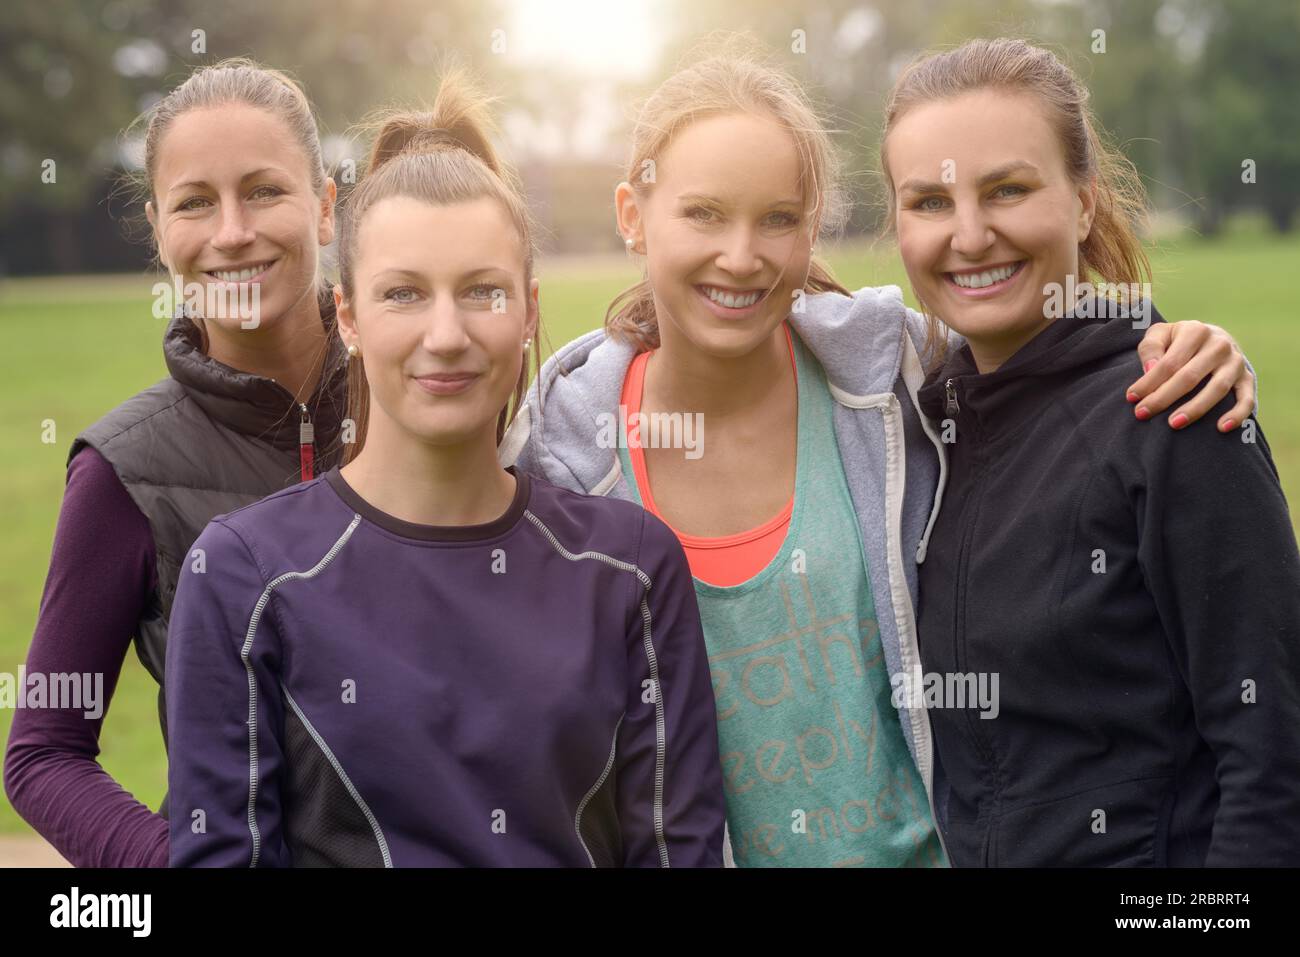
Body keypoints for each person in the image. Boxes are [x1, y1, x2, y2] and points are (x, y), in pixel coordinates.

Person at [500, 37, 1259, 867]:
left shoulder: (897, 376)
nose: (742, 255)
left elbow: (1049, 354)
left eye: (778, 219)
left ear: (812, 229)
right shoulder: (563, 461)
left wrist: (1181, 342)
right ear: (632, 215)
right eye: (705, 213)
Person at [165, 72, 726, 868]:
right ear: (349, 316)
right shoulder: (242, 574)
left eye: (481, 292)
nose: (446, 334)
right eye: (403, 294)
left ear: (528, 310)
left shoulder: (630, 566)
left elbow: (679, 853)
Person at [878, 37, 1300, 866]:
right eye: (929, 201)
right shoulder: (914, 430)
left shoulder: (1176, 411)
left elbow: (1274, 759)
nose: (969, 235)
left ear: (1082, 201)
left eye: (1007, 189)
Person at [4, 58, 346, 867]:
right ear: (159, 229)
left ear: (327, 206)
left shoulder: (426, 398)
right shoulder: (122, 469)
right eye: (196, 202)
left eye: (264, 190)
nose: (232, 231)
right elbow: (43, 752)